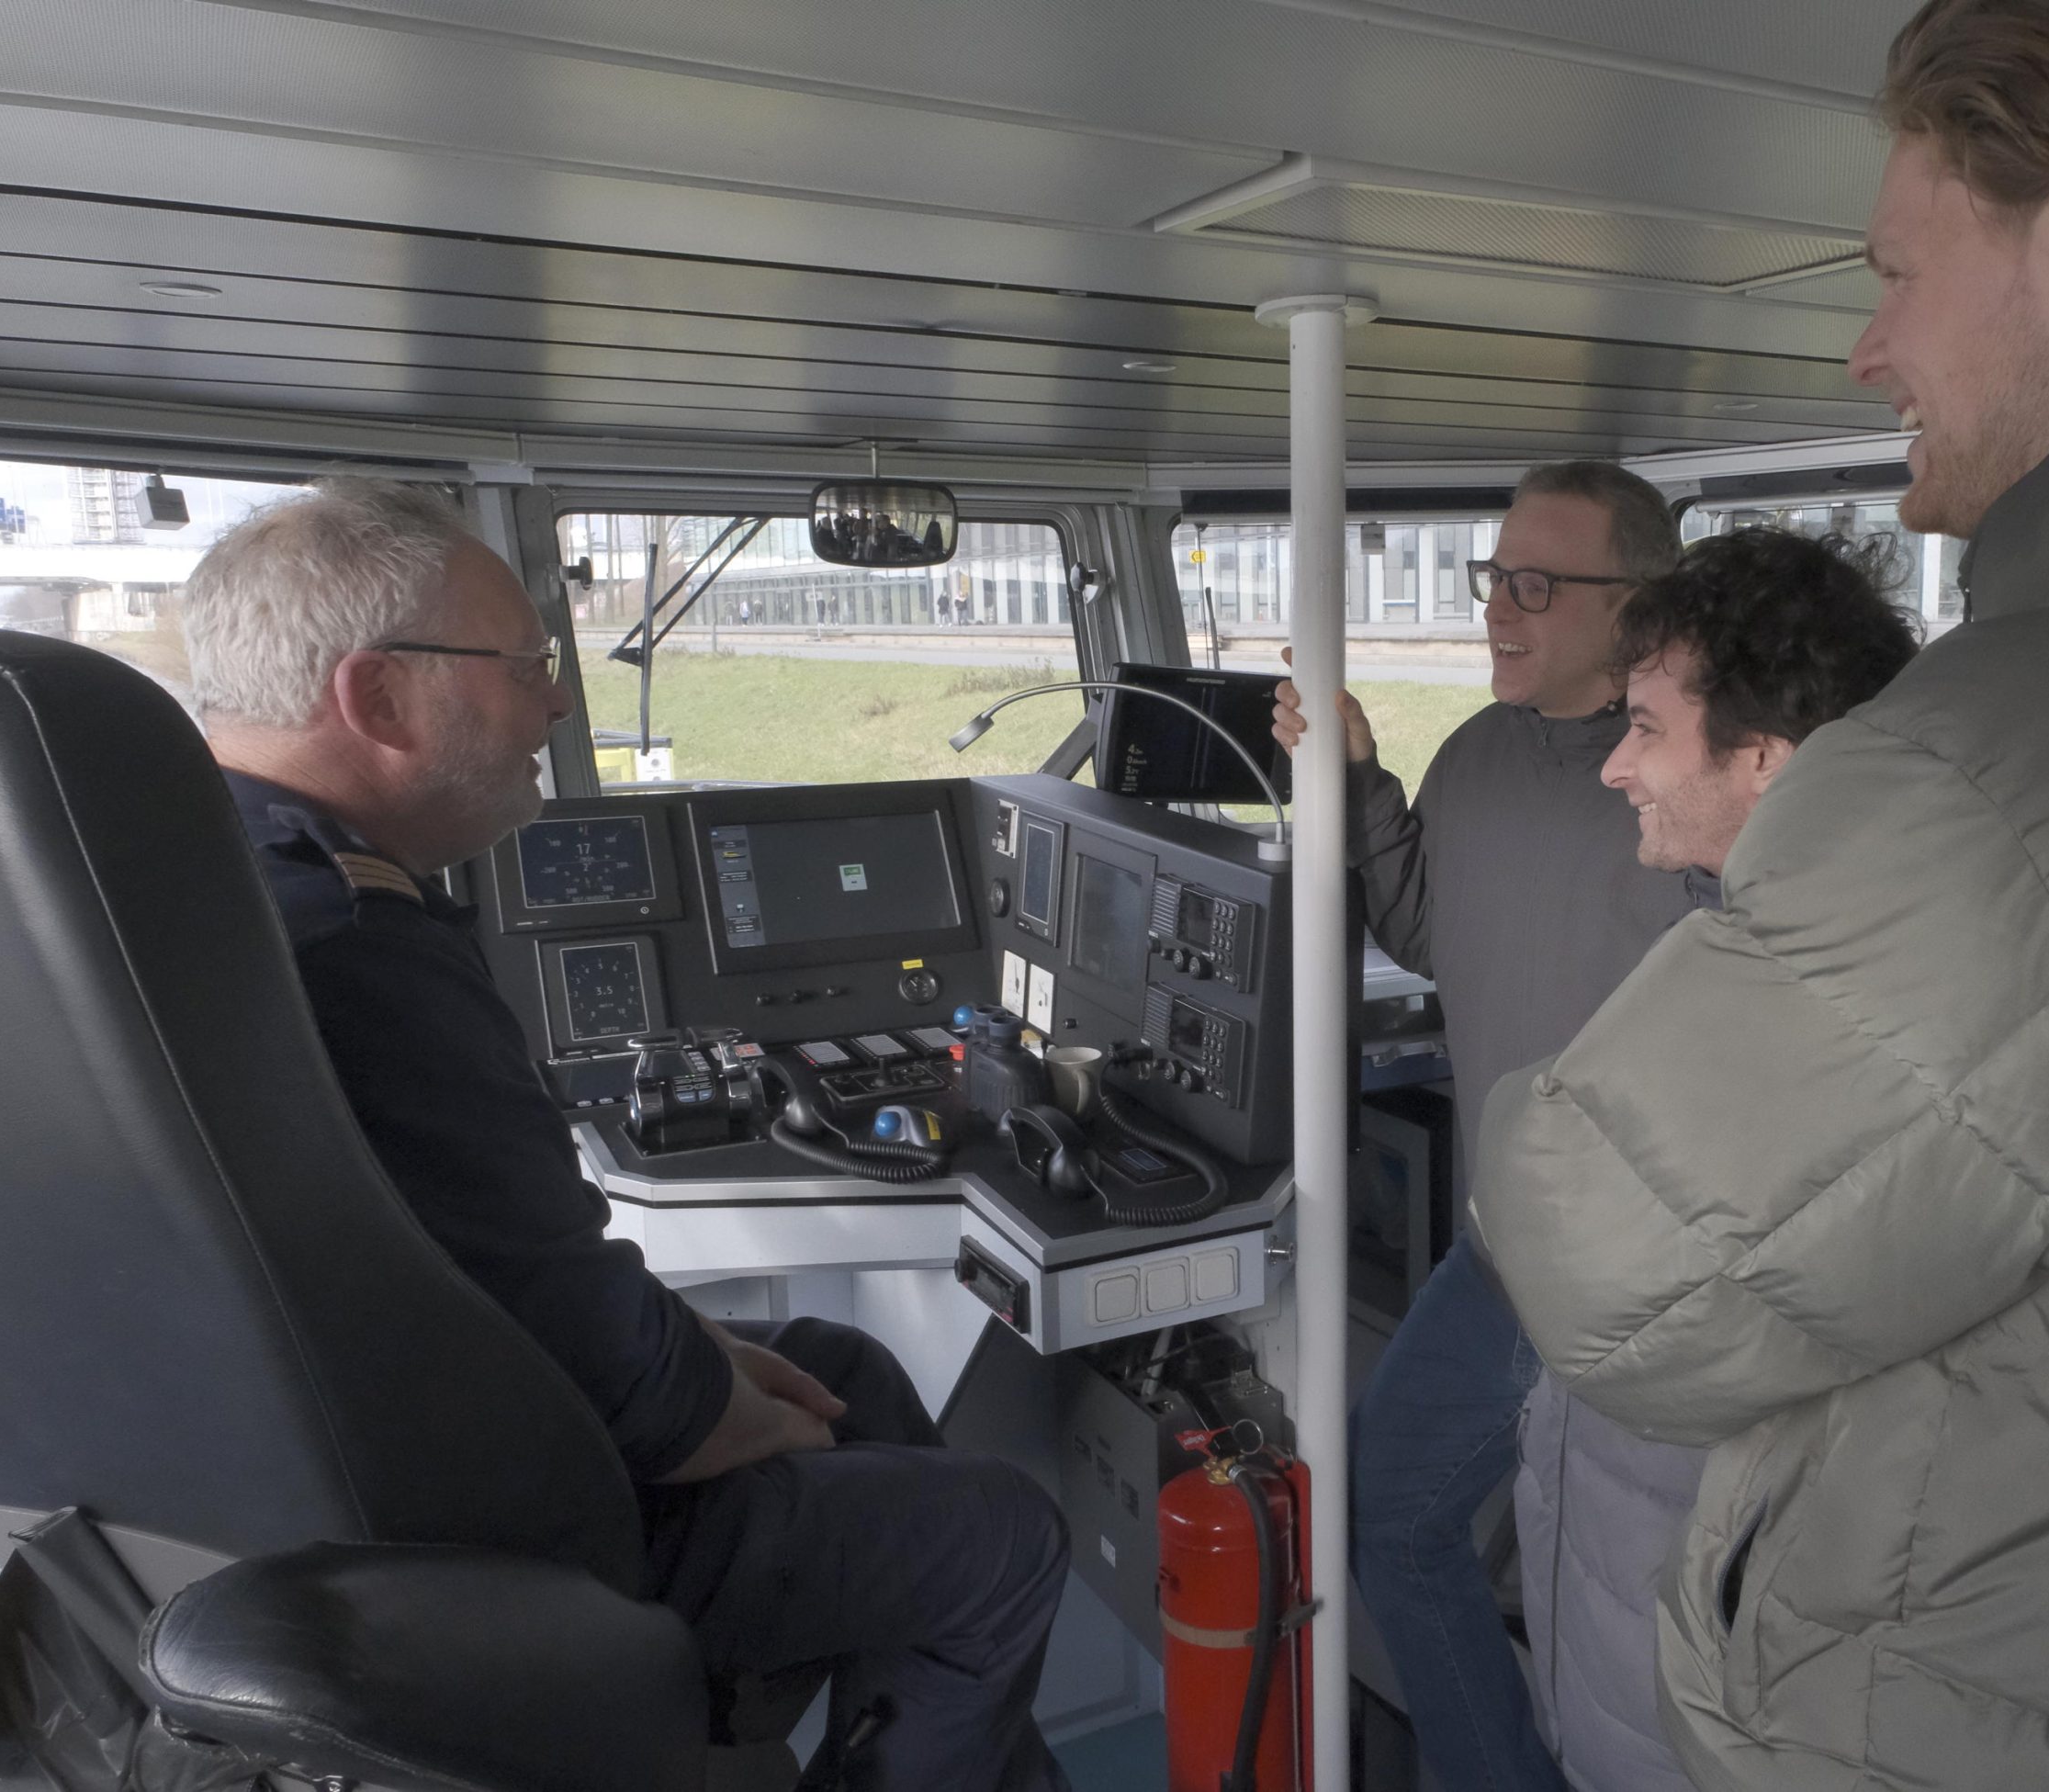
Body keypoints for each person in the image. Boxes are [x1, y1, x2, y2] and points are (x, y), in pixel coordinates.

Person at [1473, 2, 2049, 1786]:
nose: (1866, 347)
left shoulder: (2013, 748)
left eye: (1893, 272)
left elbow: (1609, 1271)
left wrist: (1513, 1116)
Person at [181, 479, 1072, 1792]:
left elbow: (491, 1270)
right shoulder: (361, 947)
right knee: (999, 1533)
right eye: (528, 665)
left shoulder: (207, 878)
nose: (556, 702)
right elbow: (615, 1375)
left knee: (844, 1365)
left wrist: (702, 1360)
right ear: (378, 698)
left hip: (373, 1440)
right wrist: (723, 1410)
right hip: (485, 1524)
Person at [1271, 462, 1697, 1792]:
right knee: (1386, 1514)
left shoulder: (1689, 791)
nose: (1498, 609)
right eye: (1493, 576)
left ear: (1639, 607)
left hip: (1644, 1272)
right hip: (1503, 1249)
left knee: (1628, 1607)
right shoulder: (1476, 753)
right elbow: (1428, 930)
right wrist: (1358, 784)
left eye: (1537, 584)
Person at [1512, 527, 1918, 1792]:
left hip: (1708, 1675)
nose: (1614, 766)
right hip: (1625, 1613)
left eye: (1645, 728)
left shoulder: (1848, 1002)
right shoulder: (1730, 944)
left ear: (1764, 757)